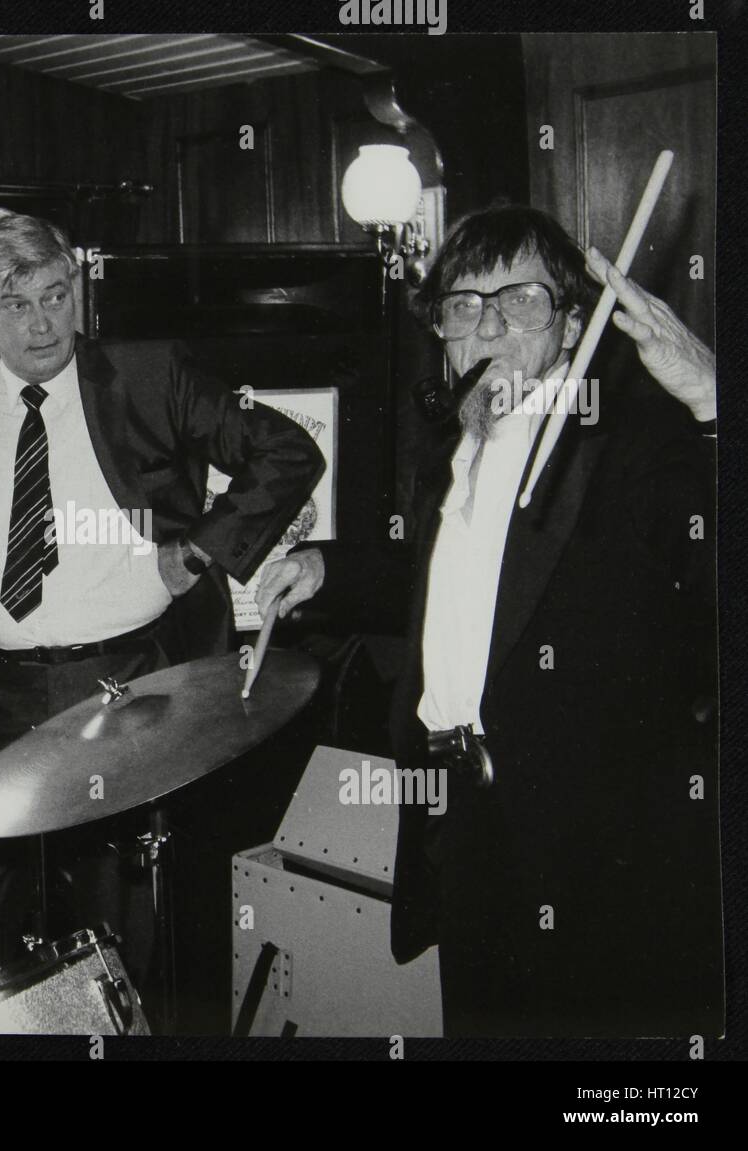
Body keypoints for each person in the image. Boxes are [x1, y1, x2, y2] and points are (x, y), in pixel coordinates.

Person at [258, 203, 721, 1037]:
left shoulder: (630, 445)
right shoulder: (452, 447)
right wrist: (332, 565)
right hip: (460, 819)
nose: (492, 326)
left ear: (573, 322)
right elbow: (460, 582)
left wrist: (714, 400)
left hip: (595, 843)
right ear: (443, 333)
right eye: (465, 307)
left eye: (523, 302)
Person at [0, 213, 323, 977]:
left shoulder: (148, 376)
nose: (42, 325)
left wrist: (197, 552)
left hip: (126, 684)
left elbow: (287, 450)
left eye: (56, 296)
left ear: (79, 294)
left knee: (119, 925)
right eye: (18, 304)